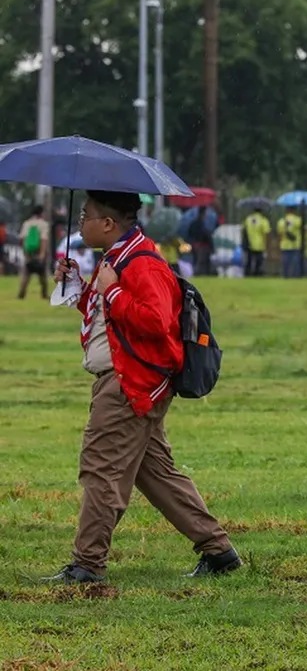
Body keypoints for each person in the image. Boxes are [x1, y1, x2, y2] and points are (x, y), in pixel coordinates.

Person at [44, 190, 240, 584]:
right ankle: (218, 552)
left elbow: (155, 321)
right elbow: (110, 320)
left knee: (101, 468)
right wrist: (81, 286)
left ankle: (87, 564)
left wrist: (113, 291)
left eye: (85, 215)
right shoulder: (118, 259)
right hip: (131, 381)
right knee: (156, 473)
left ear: (108, 224)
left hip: (128, 384)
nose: (80, 222)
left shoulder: (142, 263)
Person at [18, 205, 51, 299]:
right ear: (41, 213)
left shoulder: (26, 223)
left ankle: (21, 294)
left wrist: (25, 252)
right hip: (39, 252)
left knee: (26, 274)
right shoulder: (43, 224)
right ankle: (44, 294)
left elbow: (22, 239)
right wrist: (42, 254)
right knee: (42, 275)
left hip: (29, 253)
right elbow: (43, 239)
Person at [242, 207, 271, 277]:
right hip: (259, 244)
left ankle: (247, 274)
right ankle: (257, 273)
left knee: (249, 261)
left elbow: (244, 230)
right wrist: (267, 245)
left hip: (249, 244)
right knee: (258, 262)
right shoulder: (263, 220)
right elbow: (266, 233)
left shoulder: (248, 219)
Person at [187, 207, 214, 277]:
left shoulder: (193, 223)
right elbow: (206, 235)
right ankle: (199, 273)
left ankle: (196, 272)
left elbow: (189, 234)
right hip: (201, 246)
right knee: (201, 261)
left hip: (193, 245)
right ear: (203, 213)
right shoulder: (201, 224)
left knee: (196, 260)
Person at [277, 206, 303, 278]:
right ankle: (295, 277)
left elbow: (280, 235)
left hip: (284, 245)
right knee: (295, 265)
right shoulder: (298, 220)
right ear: (294, 210)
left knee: (285, 264)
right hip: (295, 245)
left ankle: (285, 276)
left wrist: (279, 244)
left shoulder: (281, 221)